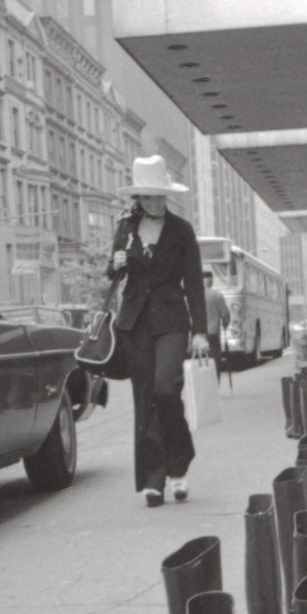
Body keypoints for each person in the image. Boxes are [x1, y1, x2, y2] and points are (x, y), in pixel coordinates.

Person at [108, 156, 210, 506]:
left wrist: (200, 331)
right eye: (148, 197)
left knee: (166, 390)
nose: (155, 202)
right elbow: (113, 273)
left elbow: (194, 282)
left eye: (160, 196)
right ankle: (154, 480)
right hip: (134, 323)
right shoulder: (124, 227)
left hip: (171, 322)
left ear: (167, 196)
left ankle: (179, 466)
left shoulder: (181, 230)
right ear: (138, 198)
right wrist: (116, 264)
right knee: (145, 399)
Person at [202, 267, 230, 377]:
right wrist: (225, 324)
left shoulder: (194, 294)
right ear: (211, 281)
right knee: (214, 362)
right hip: (213, 334)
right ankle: (214, 386)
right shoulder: (217, 295)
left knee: (199, 362)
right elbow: (225, 315)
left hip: (198, 335)